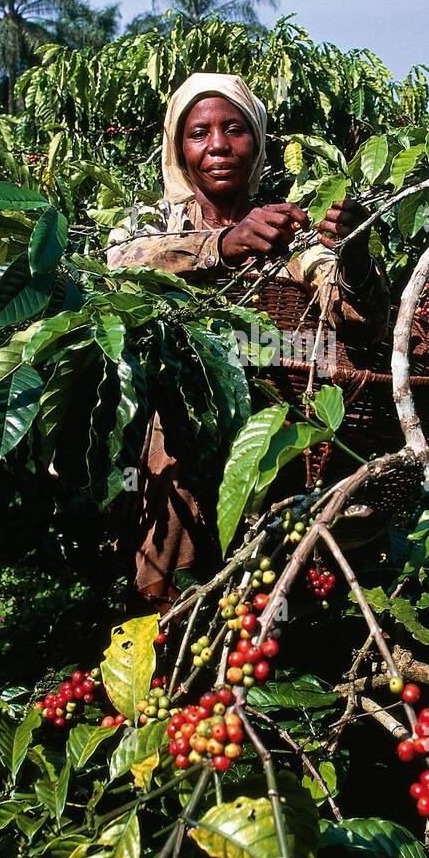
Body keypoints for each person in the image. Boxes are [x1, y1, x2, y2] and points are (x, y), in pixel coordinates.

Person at [107, 72, 389, 608]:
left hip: (275, 415)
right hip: (175, 420)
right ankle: (168, 617)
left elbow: (358, 317)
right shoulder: (149, 224)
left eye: (234, 129)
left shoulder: (290, 231)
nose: (217, 145)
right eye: (199, 132)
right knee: (172, 502)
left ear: (257, 142)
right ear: (178, 147)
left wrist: (353, 253)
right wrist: (220, 245)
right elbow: (118, 268)